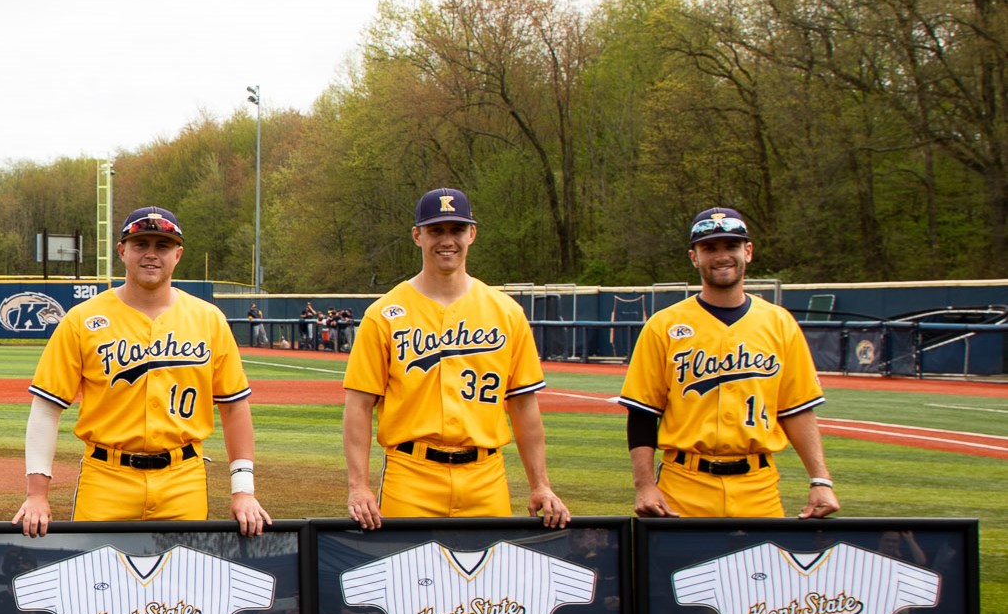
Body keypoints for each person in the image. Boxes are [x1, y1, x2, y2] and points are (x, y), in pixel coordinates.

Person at [14, 206, 270, 535]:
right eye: (140, 245)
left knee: (182, 583)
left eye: (162, 246)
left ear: (177, 255)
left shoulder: (208, 320)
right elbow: (47, 408)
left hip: (183, 479)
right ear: (122, 251)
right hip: (106, 478)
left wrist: (243, 490)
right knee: (95, 580)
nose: (151, 254)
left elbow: (234, 407)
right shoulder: (81, 320)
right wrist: (37, 494)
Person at [342, 187, 568, 528]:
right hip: (411, 474)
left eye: (456, 230)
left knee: (489, 579)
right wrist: (358, 486)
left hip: (486, 476)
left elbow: (523, 404)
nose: (447, 240)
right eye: (436, 231)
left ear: (472, 234)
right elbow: (358, 405)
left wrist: (541, 485)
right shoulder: (384, 314)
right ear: (417, 236)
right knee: (410, 578)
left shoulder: (506, 312)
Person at [619, 206, 838, 518]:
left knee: (759, 567)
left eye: (731, 246)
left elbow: (797, 407)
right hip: (683, 485)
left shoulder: (779, 323)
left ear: (747, 252)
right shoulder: (663, 325)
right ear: (694, 257)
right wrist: (643, 485)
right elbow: (642, 412)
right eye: (709, 248)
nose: (721, 256)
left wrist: (820, 479)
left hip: (759, 487)